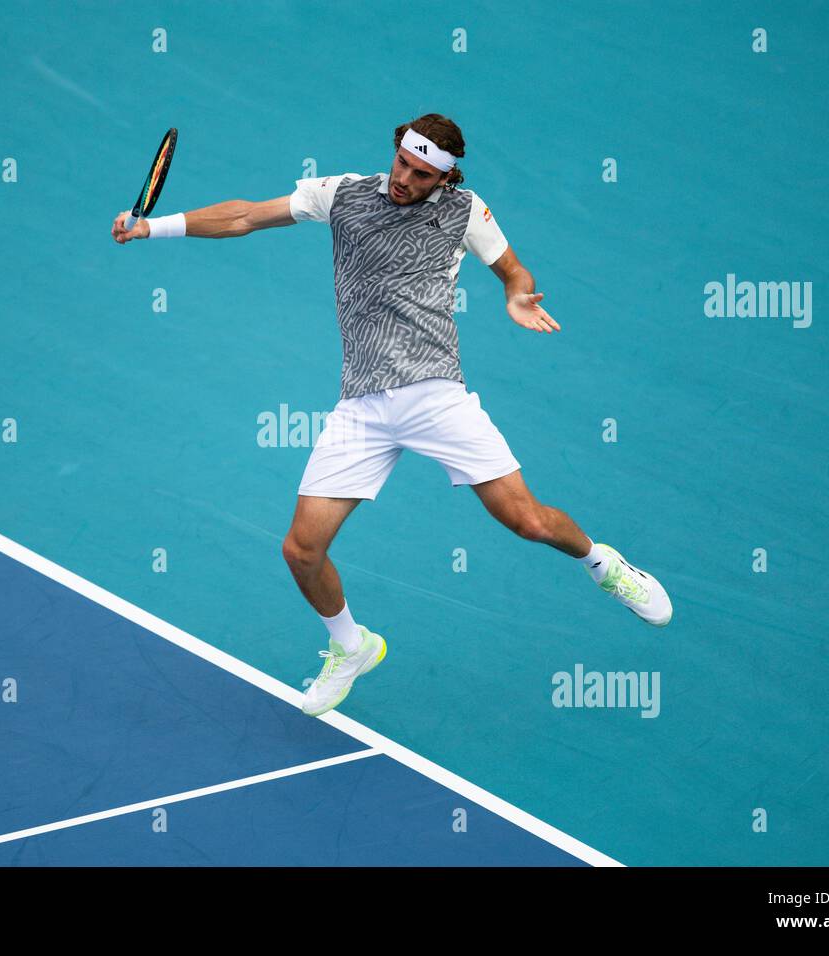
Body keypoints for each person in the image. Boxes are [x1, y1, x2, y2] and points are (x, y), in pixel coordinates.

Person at [112, 113, 672, 718]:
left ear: (446, 176)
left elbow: (512, 269)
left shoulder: (465, 211)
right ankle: (352, 647)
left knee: (529, 522)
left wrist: (515, 293)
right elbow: (247, 215)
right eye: (402, 163)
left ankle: (604, 563)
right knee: (301, 550)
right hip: (361, 405)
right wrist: (153, 228)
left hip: (436, 395)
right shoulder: (343, 193)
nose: (404, 178)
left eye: (421, 172)